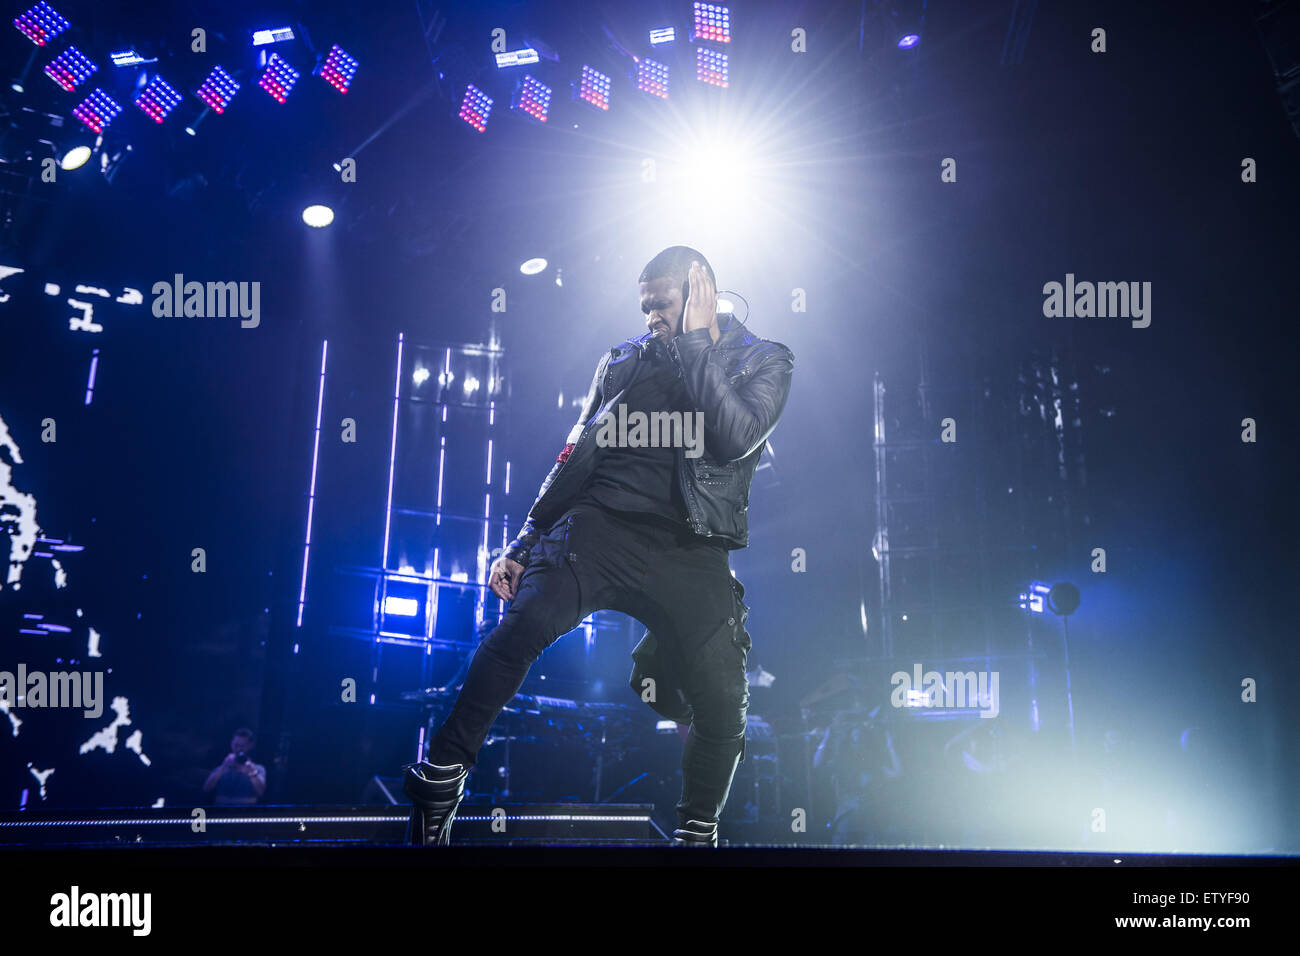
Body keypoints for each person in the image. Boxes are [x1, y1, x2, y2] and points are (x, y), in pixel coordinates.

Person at [402, 246, 794, 847]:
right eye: (646, 308)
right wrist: (528, 537)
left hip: (692, 546)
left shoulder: (763, 359)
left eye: (662, 305)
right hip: (599, 527)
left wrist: (694, 342)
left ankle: (696, 831)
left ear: (701, 292)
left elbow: (733, 437)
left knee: (723, 694)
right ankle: (440, 782)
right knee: (520, 627)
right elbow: (579, 450)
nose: (651, 319)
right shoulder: (622, 361)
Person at [202, 727, 267, 805]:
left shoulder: (257, 769)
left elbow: (261, 793)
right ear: (231, 743)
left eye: (242, 746)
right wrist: (223, 768)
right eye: (236, 745)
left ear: (250, 746)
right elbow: (206, 788)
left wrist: (251, 772)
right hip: (221, 812)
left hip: (246, 813)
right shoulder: (223, 766)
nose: (239, 749)